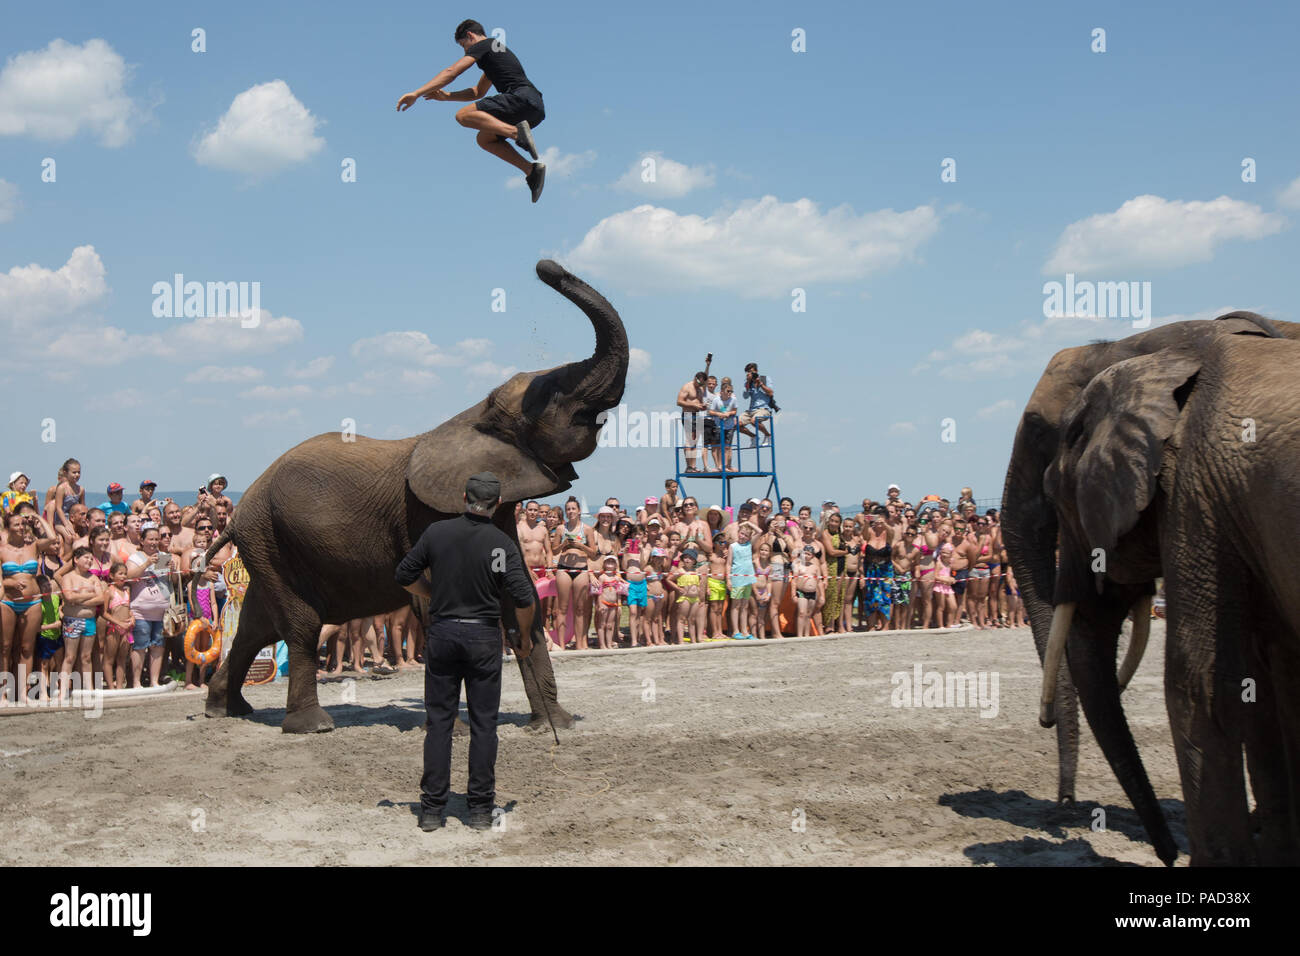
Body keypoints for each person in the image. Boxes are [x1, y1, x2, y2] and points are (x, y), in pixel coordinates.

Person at [395, 472, 536, 832]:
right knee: (484, 725)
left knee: (439, 723)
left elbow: (404, 574)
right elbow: (522, 596)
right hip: (483, 638)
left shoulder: (437, 534)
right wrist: (524, 636)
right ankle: (478, 809)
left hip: (443, 633)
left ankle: (431, 810)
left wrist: (432, 592)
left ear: (463, 497)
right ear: (497, 504)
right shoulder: (500, 544)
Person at [396, 19, 548, 202]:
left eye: (463, 46)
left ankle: (516, 133)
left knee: (463, 115)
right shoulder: (495, 53)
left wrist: (417, 93)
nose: (465, 51)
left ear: (470, 35)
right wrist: (447, 96)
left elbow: (451, 71)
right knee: (485, 139)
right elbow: (478, 92)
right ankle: (531, 170)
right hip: (534, 108)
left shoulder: (486, 44)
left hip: (521, 99)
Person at [676, 372, 709, 472]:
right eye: (699, 383)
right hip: (688, 415)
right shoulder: (687, 387)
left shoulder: (699, 389)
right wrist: (693, 406)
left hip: (697, 415)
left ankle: (693, 466)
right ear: (695, 378)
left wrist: (702, 406)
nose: (700, 385)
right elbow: (679, 402)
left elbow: (698, 404)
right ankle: (688, 466)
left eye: (701, 384)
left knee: (695, 441)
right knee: (689, 440)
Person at [739, 362, 775, 445]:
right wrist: (748, 383)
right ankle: (753, 436)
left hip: (764, 408)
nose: (750, 374)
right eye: (748, 372)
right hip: (751, 410)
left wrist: (761, 384)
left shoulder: (765, 379)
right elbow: (745, 396)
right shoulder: (748, 382)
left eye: (752, 372)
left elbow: (771, 393)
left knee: (754, 421)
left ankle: (768, 435)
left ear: (756, 371)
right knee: (735, 423)